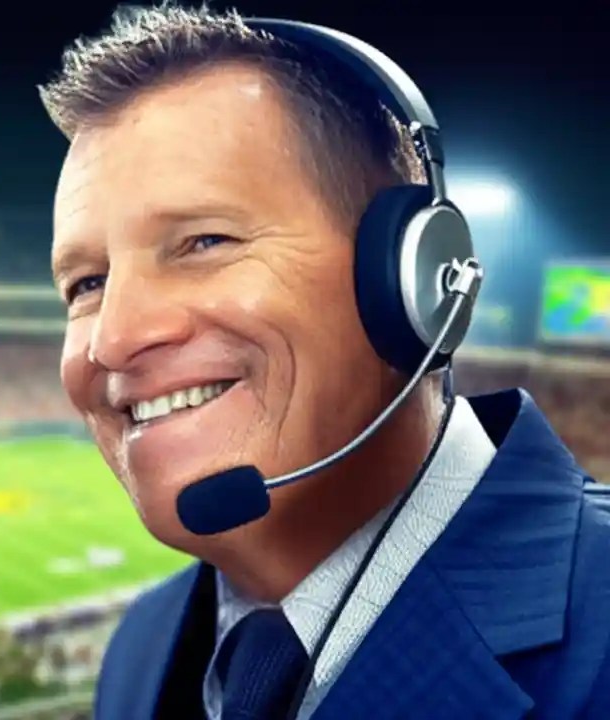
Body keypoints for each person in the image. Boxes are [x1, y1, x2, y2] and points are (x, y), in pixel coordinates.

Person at [40, 4, 610, 719]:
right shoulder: (141, 647)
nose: (113, 340)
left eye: (205, 242)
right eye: (86, 284)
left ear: (414, 279)